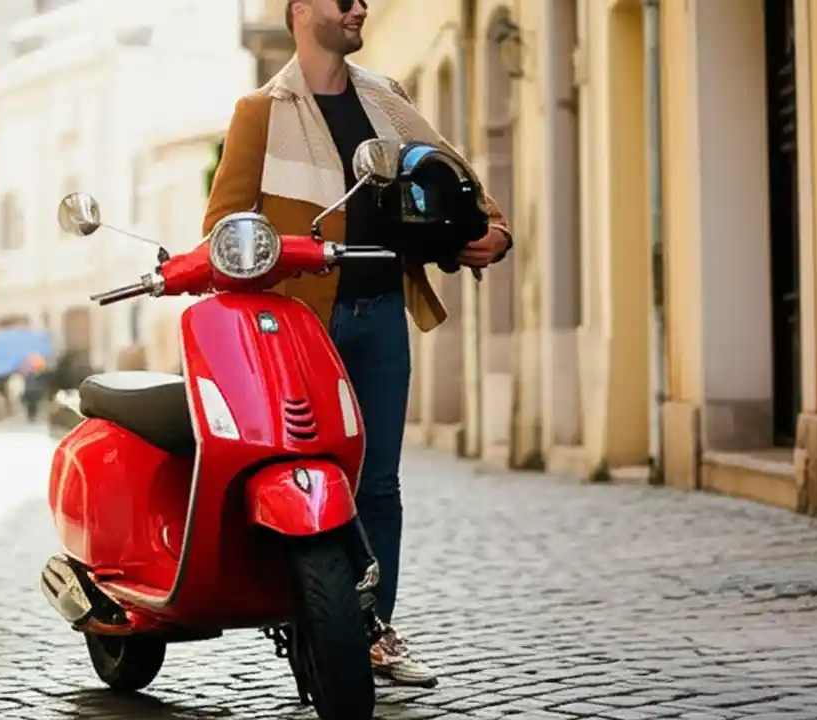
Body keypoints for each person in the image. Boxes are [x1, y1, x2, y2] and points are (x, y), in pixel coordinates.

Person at [202, 0, 512, 688]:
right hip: (296, 328)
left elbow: (459, 182)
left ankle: (374, 633)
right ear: (301, 9)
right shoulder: (262, 110)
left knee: (378, 484)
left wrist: (488, 232)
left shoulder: (386, 99)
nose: (359, 7)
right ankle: (322, 617)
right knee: (311, 478)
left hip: (377, 317)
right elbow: (224, 222)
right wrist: (283, 255)